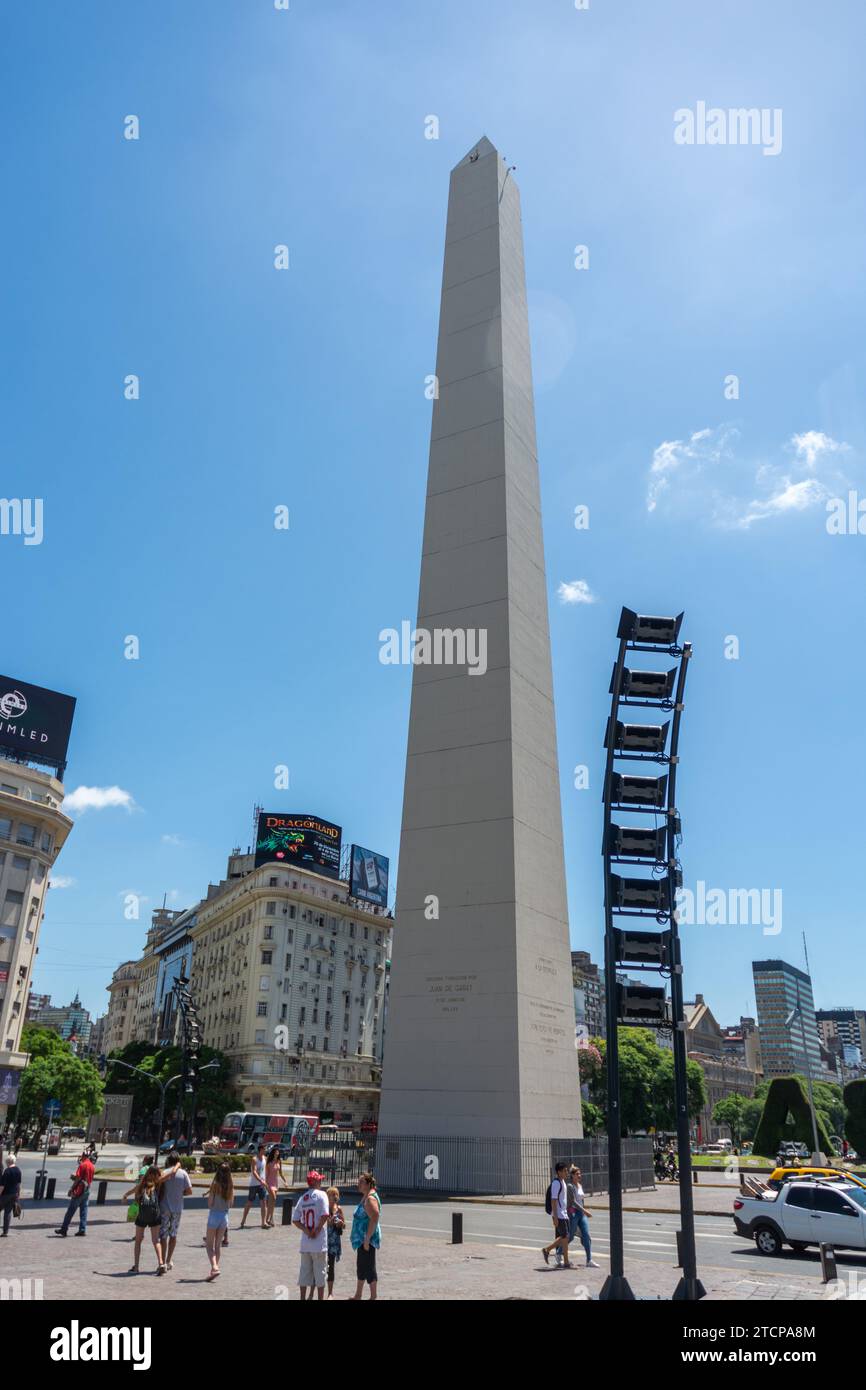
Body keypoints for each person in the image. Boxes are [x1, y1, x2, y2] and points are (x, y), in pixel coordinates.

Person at [121, 1162, 179, 1274]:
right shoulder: (157, 1182)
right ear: (156, 1174)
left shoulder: (142, 1184)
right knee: (155, 1240)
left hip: (142, 1215)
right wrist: (177, 1165)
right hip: (155, 1215)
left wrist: (125, 1196)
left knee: (138, 1241)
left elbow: (133, 1190)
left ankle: (136, 1266)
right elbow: (172, 1173)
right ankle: (161, 1263)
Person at [293, 1169, 330, 1300]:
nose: (321, 1181)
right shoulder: (322, 1195)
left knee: (304, 1273)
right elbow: (325, 1214)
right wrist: (317, 1230)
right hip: (319, 1243)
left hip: (306, 1242)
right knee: (320, 1273)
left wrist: (307, 1231)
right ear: (315, 1181)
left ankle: (302, 1297)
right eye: (319, 1179)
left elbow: (295, 1220)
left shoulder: (303, 1198)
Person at [159, 1149, 193, 1271]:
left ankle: (161, 1261)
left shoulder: (164, 1173)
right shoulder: (183, 1173)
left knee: (163, 1234)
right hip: (177, 1208)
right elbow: (189, 1191)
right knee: (173, 1234)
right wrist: (180, 1193)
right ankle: (168, 1260)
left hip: (164, 1207)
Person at [349, 1171, 381, 1300]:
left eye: (361, 1182)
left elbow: (375, 1217)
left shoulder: (370, 1198)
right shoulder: (366, 1196)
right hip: (362, 1240)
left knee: (369, 1267)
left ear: (368, 1184)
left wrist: (367, 1239)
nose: (359, 1184)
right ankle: (358, 1295)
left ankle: (373, 1296)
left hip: (367, 1239)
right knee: (361, 1266)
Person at [55, 1149, 95, 1237]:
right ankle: (82, 1229)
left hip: (79, 1191)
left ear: (83, 1156)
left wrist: (71, 1189)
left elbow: (77, 1178)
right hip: (87, 1191)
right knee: (84, 1211)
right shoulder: (92, 1166)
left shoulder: (82, 1165)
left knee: (70, 1211)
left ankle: (64, 1229)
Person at [205, 1162, 234, 1281]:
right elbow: (231, 1204)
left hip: (214, 1215)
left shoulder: (215, 1185)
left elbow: (210, 1203)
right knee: (218, 1245)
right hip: (224, 1216)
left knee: (209, 1245)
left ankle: (215, 1267)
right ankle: (214, 1270)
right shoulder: (231, 1186)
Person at [541, 1162, 572, 1269]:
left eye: (567, 1170)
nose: (566, 1172)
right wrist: (554, 1217)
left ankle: (547, 1250)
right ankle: (566, 1261)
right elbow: (553, 1200)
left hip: (564, 1213)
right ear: (559, 1172)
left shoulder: (562, 1182)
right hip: (559, 1214)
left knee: (565, 1237)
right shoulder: (556, 1183)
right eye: (564, 1171)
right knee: (565, 1237)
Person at [567, 1165, 599, 1268]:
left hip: (581, 1214)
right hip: (573, 1213)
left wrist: (584, 1211)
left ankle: (589, 1260)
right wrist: (585, 1210)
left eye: (580, 1174)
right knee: (570, 1236)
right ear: (572, 1175)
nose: (579, 1175)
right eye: (577, 1174)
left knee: (586, 1235)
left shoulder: (580, 1185)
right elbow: (573, 1202)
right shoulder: (570, 1186)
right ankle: (559, 1252)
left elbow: (581, 1200)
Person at [239, 1144, 269, 1229]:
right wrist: (261, 1180)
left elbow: (264, 1171)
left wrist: (265, 1181)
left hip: (262, 1185)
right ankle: (243, 1220)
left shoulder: (265, 1158)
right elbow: (254, 1172)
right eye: (264, 1149)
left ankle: (264, 1223)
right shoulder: (254, 1159)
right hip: (254, 1185)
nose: (265, 1150)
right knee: (249, 1202)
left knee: (263, 1202)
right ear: (260, 1150)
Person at [264, 1144, 290, 1228]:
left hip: (275, 1183)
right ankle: (269, 1219)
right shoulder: (269, 1162)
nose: (277, 1153)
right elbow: (266, 1174)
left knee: (272, 1202)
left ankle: (269, 1218)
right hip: (269, 1183)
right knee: (274, 1198)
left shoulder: (279, 1162)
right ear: (273, 1153)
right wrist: (265, 1184)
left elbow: (281, 1173)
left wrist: (285, 1181)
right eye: (275, 1152)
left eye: (278, 1152)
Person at [326, 1185, 345, 1299]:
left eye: (336, 1194)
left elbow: (344, 1224)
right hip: (324, 1240)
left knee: (331, 1266)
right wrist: (329, 1223)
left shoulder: (339, 1208)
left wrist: (341, 1224)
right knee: (321, 1266)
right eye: (332, 1194)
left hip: (334, 1242)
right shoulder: (324, 1208)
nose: (334, 1196)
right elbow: (321, 1222)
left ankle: (330, 1293)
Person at [0, 1154, 22, 1237]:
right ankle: (5, 1231)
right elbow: (19, 1184)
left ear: (7, 1162)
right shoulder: (18, 1170)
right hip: (14, 1194)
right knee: (7, 1212)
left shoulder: (7, 1171)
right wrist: (18, 1194)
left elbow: (2, 1186)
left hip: (6, 1194)